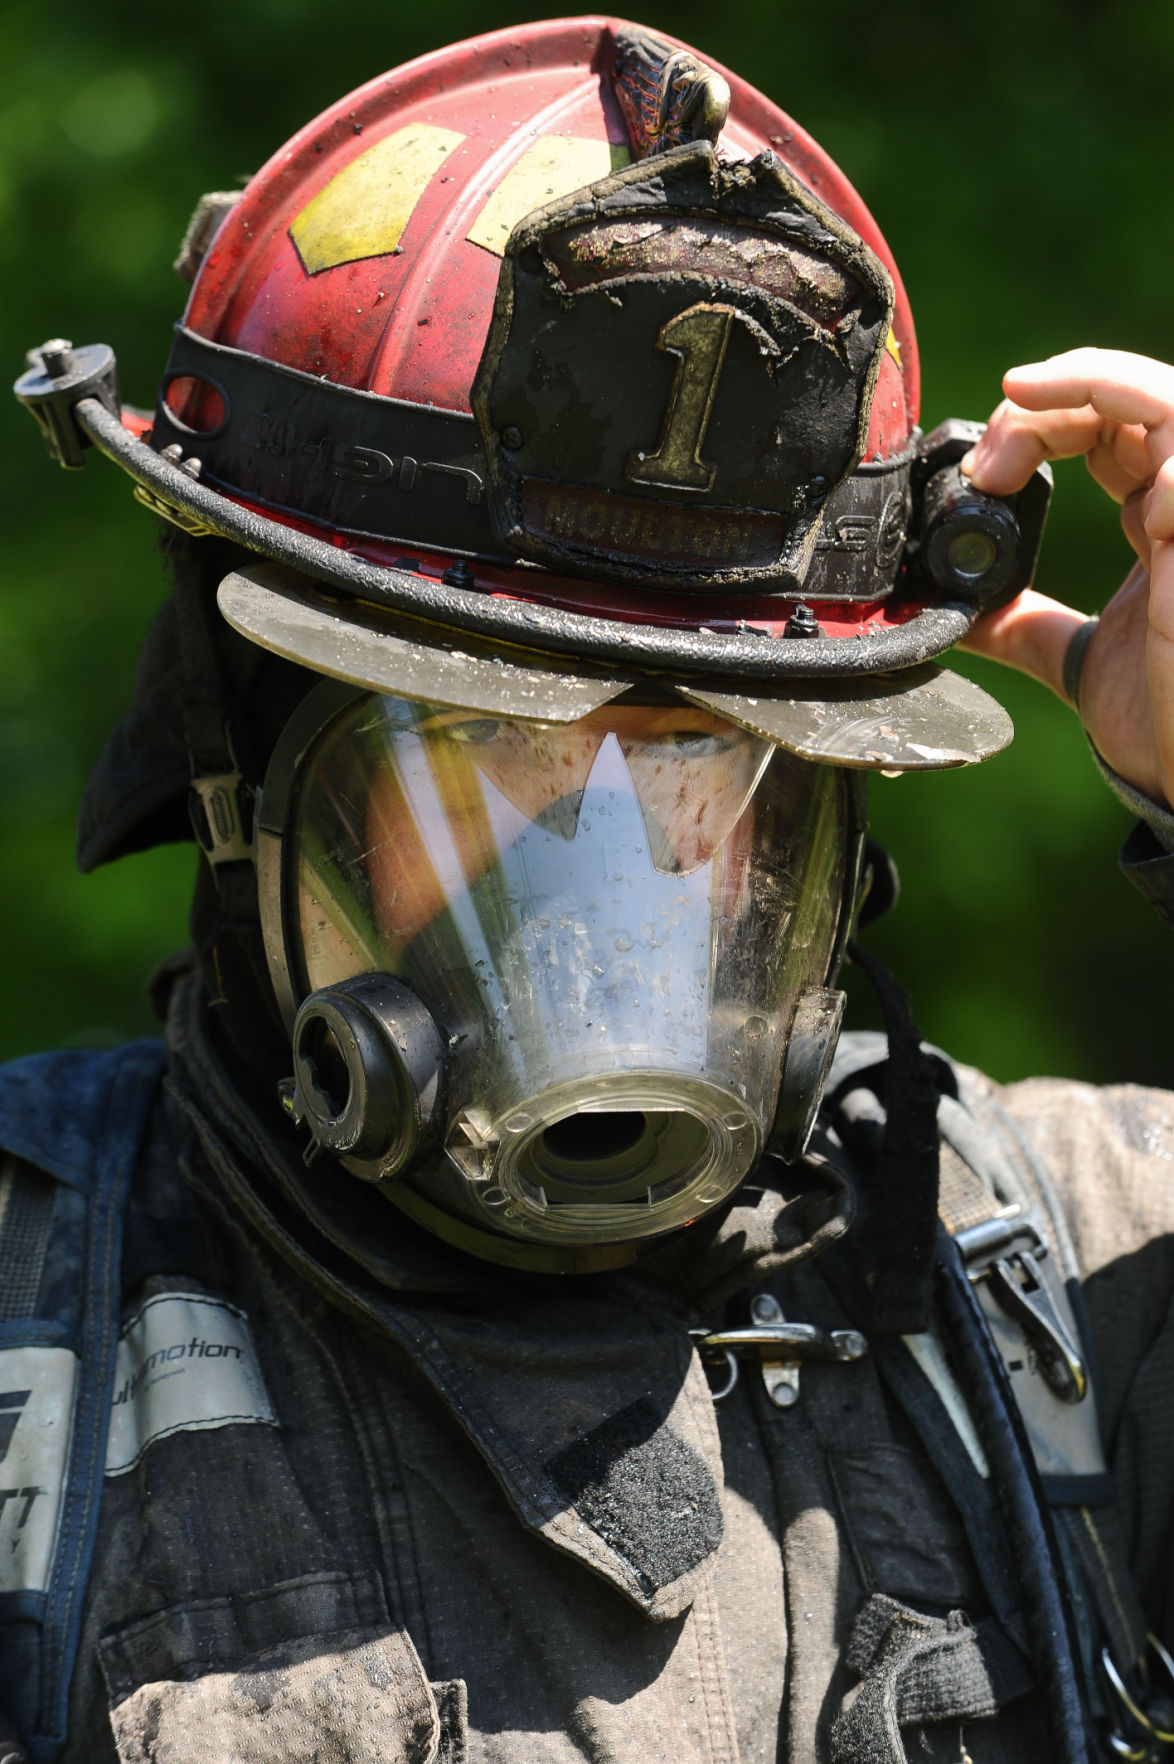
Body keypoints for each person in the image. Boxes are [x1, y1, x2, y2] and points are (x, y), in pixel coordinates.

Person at [3, 17, 1174, 1764]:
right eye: (498, 751)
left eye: (713, 767)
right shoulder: (36, 1323)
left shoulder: (1070, 1273)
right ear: (242, 764)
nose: (617, 881)